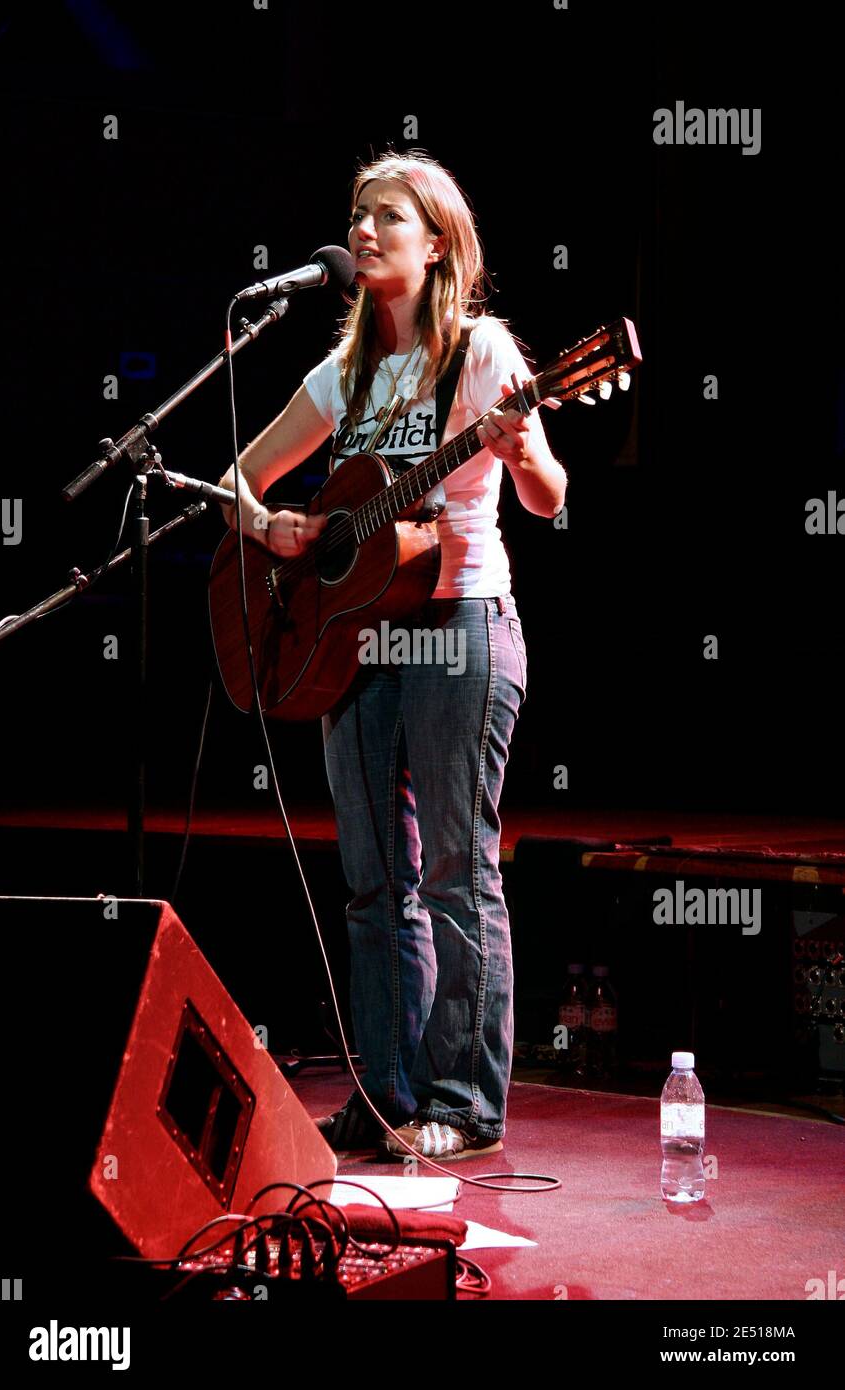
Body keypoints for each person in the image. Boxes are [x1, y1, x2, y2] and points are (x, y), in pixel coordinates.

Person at [218, 151, 566, 1161]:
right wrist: (272, 530)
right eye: (357, 216)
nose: (361, 232)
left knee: (457, 872)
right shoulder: (344, 370)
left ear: (437, 244)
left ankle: (462, 1101)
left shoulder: (482, 350)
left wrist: (520, 450)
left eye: (385, 218)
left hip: (459, 620)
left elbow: (547, 497)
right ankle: (383, 1093)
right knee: (375, 881)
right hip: (356, 637)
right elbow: (243, 476)